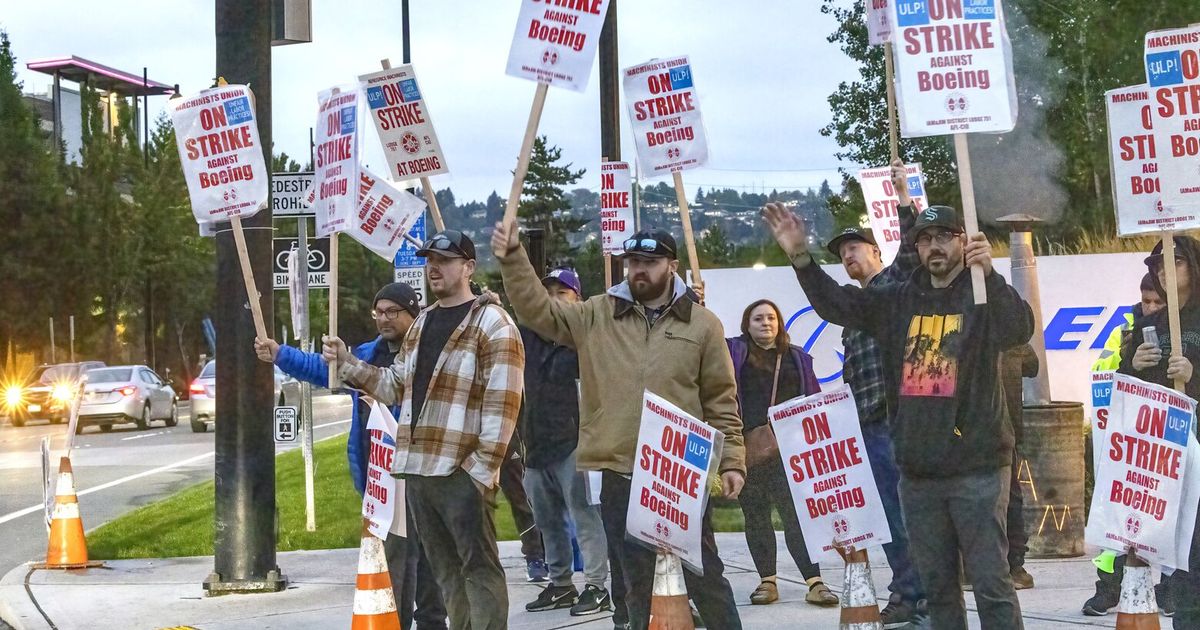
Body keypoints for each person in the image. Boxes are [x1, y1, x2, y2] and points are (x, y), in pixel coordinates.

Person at [763, 201, 1034, 629]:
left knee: (990, 583)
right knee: (938, 588)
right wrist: (801, 258)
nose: (934, 246)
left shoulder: (980, 294)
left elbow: (1019, 329)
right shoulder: (898, 299)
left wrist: (992, 275)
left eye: (944, 236)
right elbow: (838, 304)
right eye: (924, 240)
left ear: (964, 242)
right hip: (918, 472)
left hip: (978, 468)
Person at [493, 224, 747, 630]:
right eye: (632, 263)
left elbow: (721, 400)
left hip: (679, 474)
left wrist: (732, 460)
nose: (639, 270)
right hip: (621, 471)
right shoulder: (597, 313)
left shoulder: (703, 325)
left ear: (672, 265)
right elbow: (537, 310)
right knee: (632, 583)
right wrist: (512, 258)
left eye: (649, 262)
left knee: (705, 576)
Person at [323, 230, 524, 630]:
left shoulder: (494, 324)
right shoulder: (423, 323)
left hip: (460, 472)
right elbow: (393, 385)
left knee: (478, 569)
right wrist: (347, 361)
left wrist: (479, 471)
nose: (434, 267)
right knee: (447, 571)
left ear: (468, 267)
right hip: (417, 470)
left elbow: (505, 407)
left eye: (445, 261)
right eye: (430, 259)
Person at [254, 283, 446, 630]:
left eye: (393, 312)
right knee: (394, 561)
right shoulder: (367, 356)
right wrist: (280, 353)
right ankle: (396, 623)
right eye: (379, 312)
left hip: (424, 472)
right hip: (383, 482)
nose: (384, 319)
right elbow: (323, 371)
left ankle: (433, 621)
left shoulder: (428, 352)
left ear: (413, 313)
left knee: (432, 558)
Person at [824, 158, 927, 627]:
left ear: (875, 252)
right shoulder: (855, 307)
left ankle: (916, 593)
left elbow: (910, 254)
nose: (848, 256)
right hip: (867, 423)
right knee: (886, 514)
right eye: (842, 252)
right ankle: (908, 589)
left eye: (855, 248)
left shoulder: (894, 284)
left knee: (902, 512)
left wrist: (904, 197)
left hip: (894, 419)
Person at [725, 299, 838, 608]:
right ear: (746, 324)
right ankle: (767, 581)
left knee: (798, 516)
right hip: (749, 449)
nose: (765, 323)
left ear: (780, 323)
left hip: (791, 453)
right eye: (758, 318)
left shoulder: (797, 358)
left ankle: (815, 582)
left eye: (771, 317)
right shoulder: (733, 352)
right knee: (756, 515)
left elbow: (814, 400)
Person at [519, 267, 615, 616]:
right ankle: (560, 584)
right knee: (547, 521)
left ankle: (597, 585)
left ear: (578, 299)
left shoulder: (588, 335)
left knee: (585, 516)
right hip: (536, 442)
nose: (554, 297)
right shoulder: (527, 335)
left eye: (564, 291)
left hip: (576, 441)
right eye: (549, 291)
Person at [1119, 236, 1200, 628]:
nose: (1166, 269)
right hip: (1168, 463)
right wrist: (1133, 365)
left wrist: (1194, 376)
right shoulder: (1147, 323)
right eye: (1159, 263)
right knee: (1184, 565)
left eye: (1176, 260)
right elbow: (1125, 394)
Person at [1082, 273, 1169, 617]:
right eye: (1145, 301)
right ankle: (1107, 588)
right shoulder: (1128, 332)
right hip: (1129, 440)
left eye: (1157, 302)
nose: (1148, 308)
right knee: (1118, 522)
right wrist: (1131, 363)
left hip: (1167, 443)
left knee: (1167, 525)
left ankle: (1171, 589)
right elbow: (1111, 377)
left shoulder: (1183, 330)